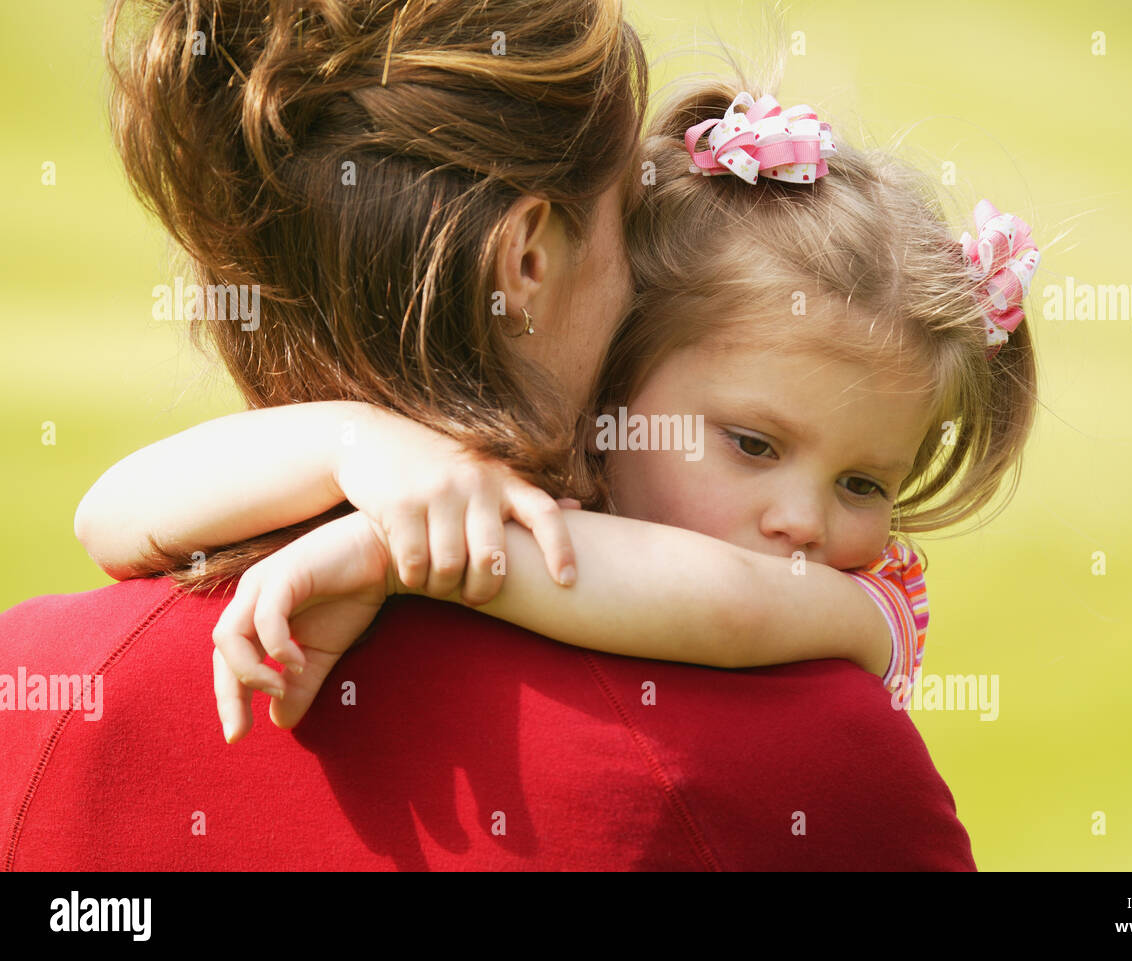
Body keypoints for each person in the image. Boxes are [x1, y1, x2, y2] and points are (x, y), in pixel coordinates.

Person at [0, 0, 977, 870]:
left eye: (865, 482)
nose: (804, 525)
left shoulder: (32, 695)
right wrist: (358, 450)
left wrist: (390, 543)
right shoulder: (811, 762)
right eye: (626, 227)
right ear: (525, 256)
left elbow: (732, 606)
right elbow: (110, 513)